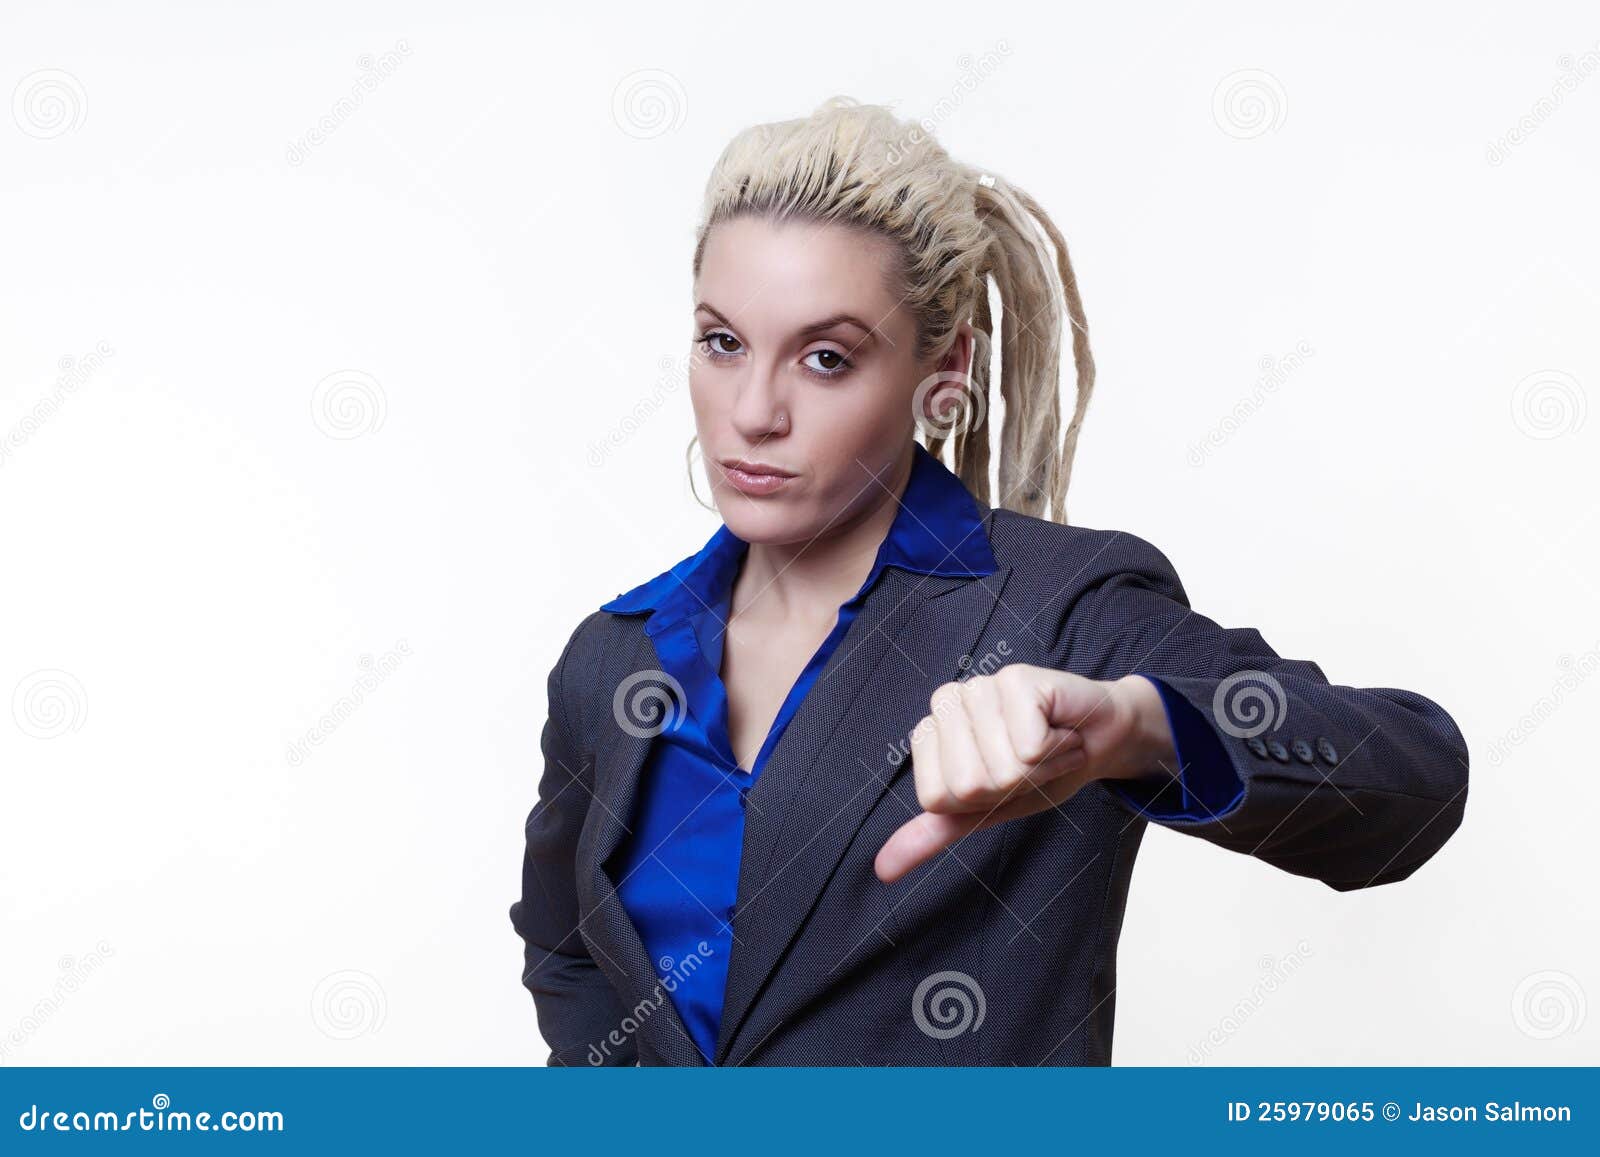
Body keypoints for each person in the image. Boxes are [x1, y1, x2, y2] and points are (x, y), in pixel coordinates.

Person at [509, 96, 1469, 1066]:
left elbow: (1411, 786)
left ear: (944, 369)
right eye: (723, 341)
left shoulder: (1062, 609)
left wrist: (1137, 728)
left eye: (827, 357)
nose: (753, 410)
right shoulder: (614, 654)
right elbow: (571, 955)